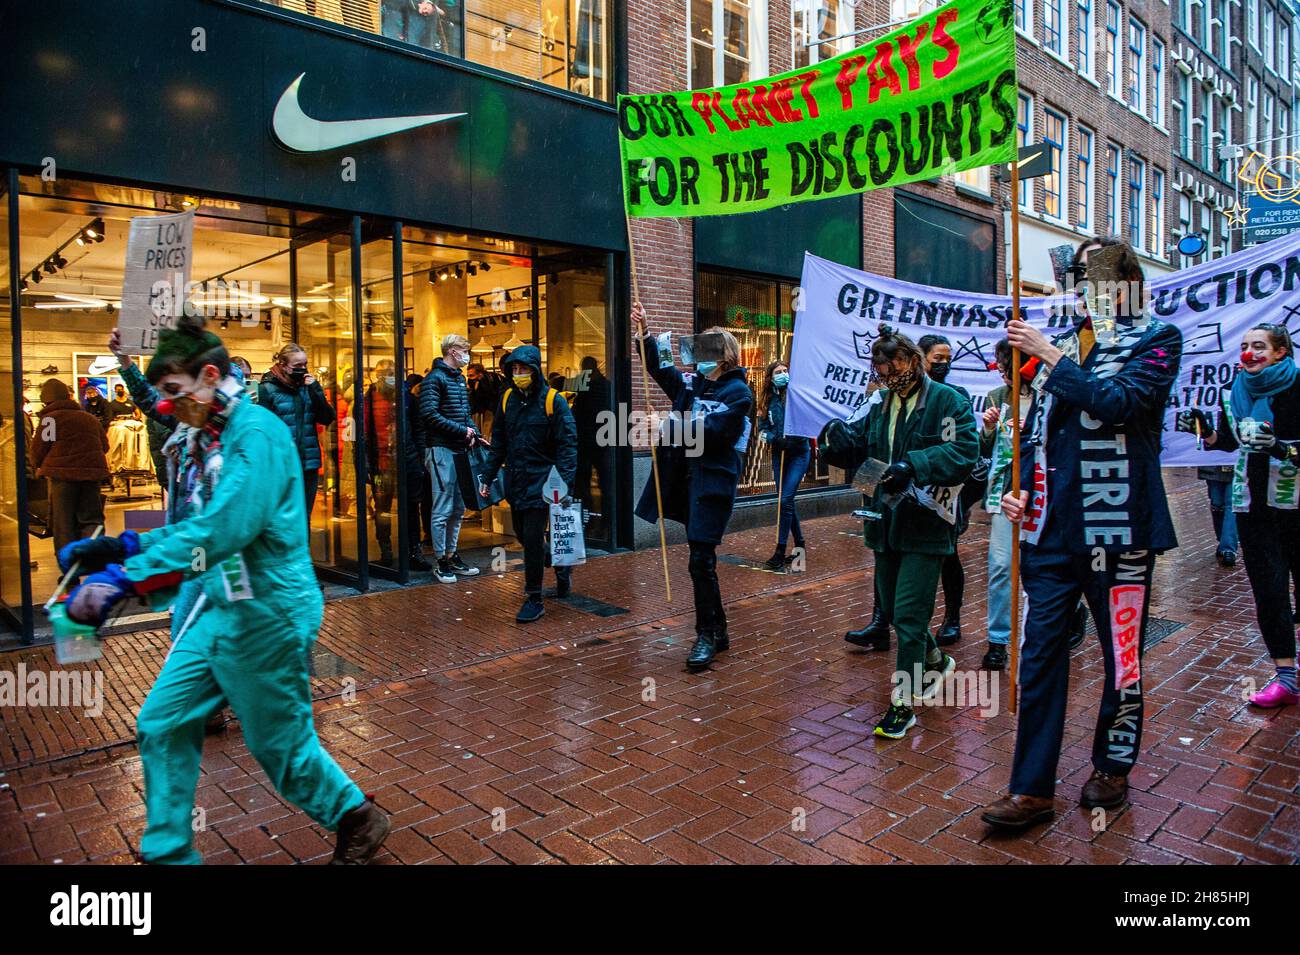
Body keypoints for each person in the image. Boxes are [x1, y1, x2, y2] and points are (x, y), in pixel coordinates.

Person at [59, 317, 389, 864]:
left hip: (267, 613)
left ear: (210, 376)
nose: (164, 407)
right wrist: (123, 548)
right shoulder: (208, 434)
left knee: (279, 746)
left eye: (172, 393)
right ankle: (167, 853)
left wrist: (126, 579)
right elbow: (198, 521)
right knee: (162, 722)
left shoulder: (254, 433)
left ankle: (356, 814)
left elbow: (224, 528)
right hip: (219, 606)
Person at [983, 236, 1182, 830]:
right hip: (1049, 532)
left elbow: (1121, 402)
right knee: (1040, 653)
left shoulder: (1156, 339)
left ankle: (1112, 767)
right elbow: (1036, 432)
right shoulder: (1064, 343)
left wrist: (1049, 355)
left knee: (1121, 656)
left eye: (1093, 276)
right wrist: (1020, 489)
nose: (1081, 287)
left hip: (1118, 529)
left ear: (1125, 283)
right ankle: (1031, 788)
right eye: (1076, 277)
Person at [822, 326, 978, 739]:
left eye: (893, 365)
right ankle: (935, 660)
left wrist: (915, 464)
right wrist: (835, 438)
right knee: (892, 611)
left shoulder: (948, 401)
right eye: (880, 368)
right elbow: (858, 443)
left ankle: (902, 703)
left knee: (909, 615)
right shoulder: (879, 403)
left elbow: (965, 452)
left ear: (913, 360)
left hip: (927, 525)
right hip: (885, 523)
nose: (887, 374)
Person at [1178, 323, 1300, 708]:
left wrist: (1282, 448)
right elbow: (1229, 441)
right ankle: (1287, 678)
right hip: (1253, 506)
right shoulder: (1237, 389)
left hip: (1297, 505)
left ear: (1280, 352)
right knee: (1269, 591)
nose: (1249, 352)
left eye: (1259, 346)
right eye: (1245, 346)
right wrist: (1206, 431)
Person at [634, 305, 753, 671]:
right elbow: (660, 368)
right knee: (702, 561)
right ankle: (718, 630)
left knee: (700, 559)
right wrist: (645, 333)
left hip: (712, 487)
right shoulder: (691, 385)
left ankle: (706, 634)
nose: (698, 358)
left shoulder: (739, 394)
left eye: (706, 350)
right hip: (686, 483)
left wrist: (668, 429)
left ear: (724, 355)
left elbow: (715, 433)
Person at [478, 344, 578, 623]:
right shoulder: (507, 398)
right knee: (522, 535)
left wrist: (564, 482)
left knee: (532, 539)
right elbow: (498, 440)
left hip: (543, 481)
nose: (518, 373)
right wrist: (487, 475)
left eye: (523, 369)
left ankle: (534, 597)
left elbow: (568, 445)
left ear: (535, 371)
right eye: (514, 369)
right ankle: (559, 562)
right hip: (516, 480)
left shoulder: (553, 401)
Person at [917, 333, 973, 646]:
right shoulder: (906, 394)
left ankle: (953, 617)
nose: (943, 364)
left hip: (945, 489)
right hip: (912, 487)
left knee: (948, 554)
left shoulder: (955, 395)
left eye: (947, 359)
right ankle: (881, 620)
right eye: (938, 358)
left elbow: (960, 446)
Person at [420, 334, 483, 583]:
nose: (466, 354)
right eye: (463, 349)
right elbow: (429, 414)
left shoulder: (459, 380)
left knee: (457, 507)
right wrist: (462, 431)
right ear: (452, 351)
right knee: (443, 506)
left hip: (459, 449)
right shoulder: (434, 379)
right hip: (441, 449)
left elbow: (465, 414)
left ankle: (451, 553)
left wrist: (475, 434)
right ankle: (440, 559)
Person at [366, 359, 431, 571]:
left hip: (408, 460)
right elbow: (363, 435)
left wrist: (420, 458)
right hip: (381, 462)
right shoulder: (368, 399)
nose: (388, 375)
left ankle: (413, 551)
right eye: (384, 372)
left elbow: (418, 429)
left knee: (411, 506)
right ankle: (385, 549)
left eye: (392, 372)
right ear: (376, 374)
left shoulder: (408, 398)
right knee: (382, 509)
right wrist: (367, 464)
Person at [31, 379, 109, 555]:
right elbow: (104, 446)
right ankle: (94, 561)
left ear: (46, 400)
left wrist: (37, 467)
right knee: (92, 520)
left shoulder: (50, 420)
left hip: (62, 480)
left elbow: (39, 449)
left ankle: (69, 571)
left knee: (63, 524)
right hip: (91, 478)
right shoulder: (89, 418)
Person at [258, 344, 334, 521]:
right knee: (283, 518)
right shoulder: (267, 389)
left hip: (308, 463)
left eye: (305, 364)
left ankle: (303, 549)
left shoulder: (308, 387)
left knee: (304, 517)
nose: (302, 369)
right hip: (281, 465)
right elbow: (264, 431)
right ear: (283, 365)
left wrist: (316, 389)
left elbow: (327, 417)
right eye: (297, 365)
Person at [756, 359, 809, 571]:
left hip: (798, 453)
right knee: (785, 502)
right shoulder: (766, 400)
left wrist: (794, 438)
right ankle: (800, 546)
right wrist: (773, 438)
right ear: (771, 377)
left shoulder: (796, 395)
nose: (783, 374)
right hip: (779, 454)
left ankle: (780, 550)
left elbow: (806, 421)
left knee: (786, 499)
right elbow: (761, 430)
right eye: (778, 371)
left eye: (786, 370)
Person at [573, 355, 612, 528]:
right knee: (604, 482)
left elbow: (578, 412)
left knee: (583, 483)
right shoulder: (606, 385)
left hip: (586, 439)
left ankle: (587, 519)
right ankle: (606, 520)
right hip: (602, 439)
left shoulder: (584, 386)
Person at [1197, 465, 1238, 566]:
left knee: (1232, 505)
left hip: (1237, 467)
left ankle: (1228, 549)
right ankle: (1223, 540)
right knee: (1217, 504)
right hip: (1214, 466)